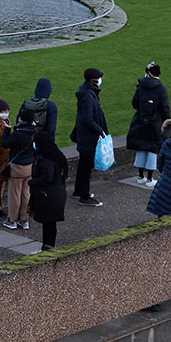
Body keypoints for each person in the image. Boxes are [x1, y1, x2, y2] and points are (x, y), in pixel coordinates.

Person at [68, 68, 109, 208]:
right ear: (92, 80)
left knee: (83, 164)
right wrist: (101, 131)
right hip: (88, 137)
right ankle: (84, 197)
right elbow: (88, 119)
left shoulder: (87, 92)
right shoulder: (88, 95)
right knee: (86, 166)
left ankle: (78, 191)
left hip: (85, 136)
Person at [125, 63, 170, 187]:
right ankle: (150, 179)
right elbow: (165, 107)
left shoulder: (140, 87)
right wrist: (167, 121)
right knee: (152, 149)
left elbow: (134, 103)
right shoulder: (161, 89)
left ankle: (140, 176)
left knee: (141, 147)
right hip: (155, 122)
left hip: (140, 120)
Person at [27, 128, 70, 250]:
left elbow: (47, 177)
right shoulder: (55, 156)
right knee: (50, 224)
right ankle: (47, 247)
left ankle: (47, 248)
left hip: (49, 197)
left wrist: (32, 182)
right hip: (55, 195)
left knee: (48, 224)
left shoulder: (46, 161)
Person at [2, 107, 38, 230]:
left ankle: (12, 220)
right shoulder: (35, 132)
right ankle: (24, 219)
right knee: (25, 193)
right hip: (29, 166)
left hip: (17, 166)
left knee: (15, 194)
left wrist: (7, 129)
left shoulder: (18, 133)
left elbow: (5, 143)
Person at [21, 77, 59, 142]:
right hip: (42, 142)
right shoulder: (51, 106)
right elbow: (51, 129)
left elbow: (18, 121)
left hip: (25, 140)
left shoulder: (27, 103)